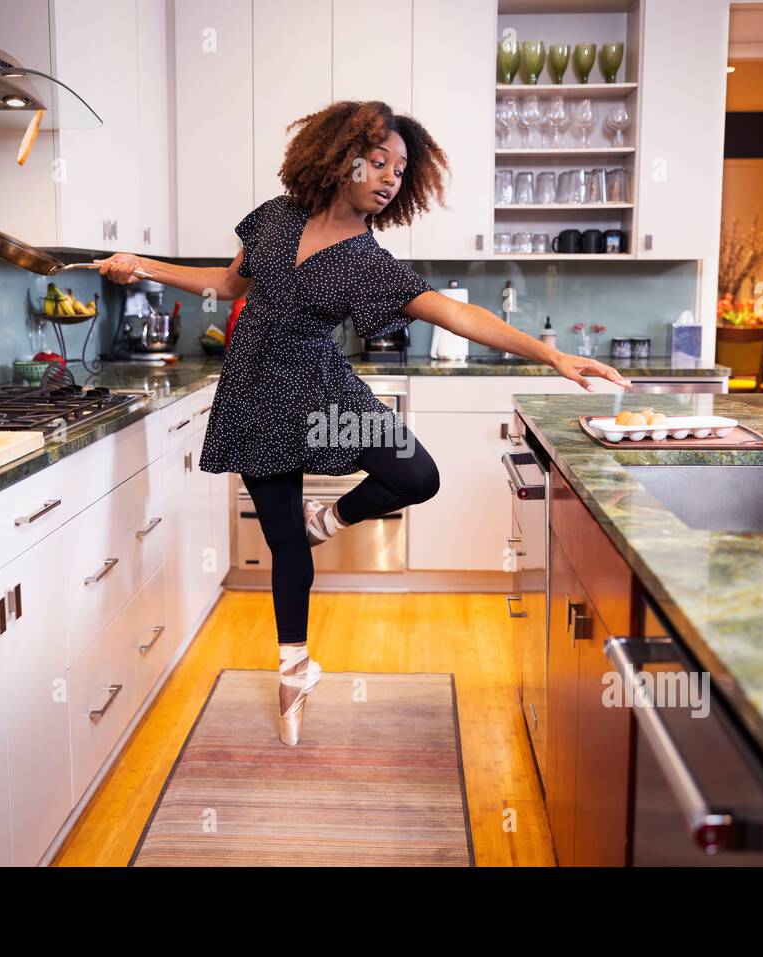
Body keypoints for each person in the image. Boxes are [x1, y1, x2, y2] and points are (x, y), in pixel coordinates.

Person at [98, 100, 629, 746]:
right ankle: (294, 673)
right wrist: (143, 266)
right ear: (339, 154)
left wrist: (550, 354)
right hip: (255, 394)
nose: (388, 178)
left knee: (416, 472)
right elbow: (229, 286)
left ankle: (330, 520)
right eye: (378, 161)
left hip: (324, 397)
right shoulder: (273, 218)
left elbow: (456, 316)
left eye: (400, 171)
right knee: (285, 548)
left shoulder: (368, 262)